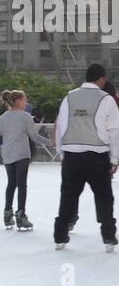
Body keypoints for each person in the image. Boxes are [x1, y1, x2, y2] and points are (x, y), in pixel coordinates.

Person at [53, 64, 119, 251]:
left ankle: (60, 236)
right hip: (97, 155)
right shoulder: (107, 99)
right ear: (102, 79)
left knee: (68, 196)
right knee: (104, 197)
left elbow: (61, 126)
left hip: (72, 156)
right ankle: (108, 237)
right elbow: (114, 131)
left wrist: (62, 152)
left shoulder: (69, 97)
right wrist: (115, 159)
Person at [0, 90, 53, 231]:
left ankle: (7, 213)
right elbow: (34, 136)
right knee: (21, 185)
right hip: (22, 154)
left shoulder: (4, 117)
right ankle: (21, 215)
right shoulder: (26, 116)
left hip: (8, 154)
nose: (26, 102)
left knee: (11, 183)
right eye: (25, 100)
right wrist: (51, 142)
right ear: (18, 101)